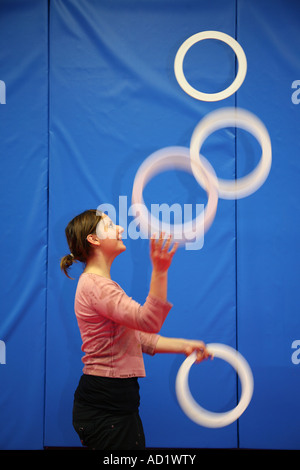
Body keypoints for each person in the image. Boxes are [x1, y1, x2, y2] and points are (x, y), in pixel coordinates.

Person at [60, 209, 210, 450]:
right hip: (106, 408)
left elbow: (137, 336)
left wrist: (184, 346)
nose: (120, 229)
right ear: (93, 239)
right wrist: (160, 270)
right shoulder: (96, 286)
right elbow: (148, 320)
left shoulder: (98, 285)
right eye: (109, 226)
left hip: (114, 405)